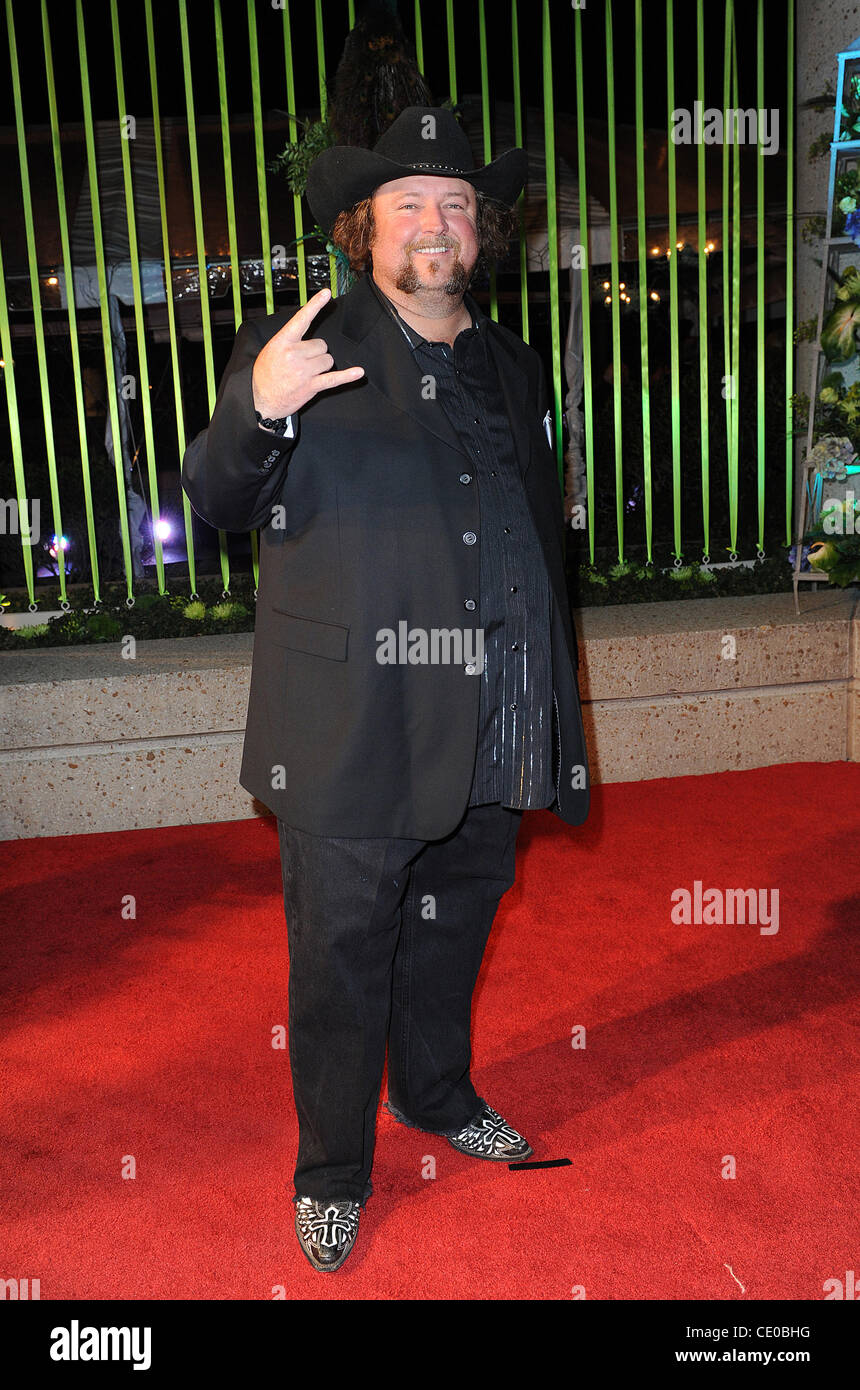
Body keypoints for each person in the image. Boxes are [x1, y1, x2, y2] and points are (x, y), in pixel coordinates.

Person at [181, 106, 590, 1273]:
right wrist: (259, 407)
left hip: (496, 709)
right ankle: (331, 1170)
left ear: (481, 231)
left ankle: (436, 1092)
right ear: (365, 228)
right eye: (408, 201)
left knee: (455, 924)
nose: (434, 221)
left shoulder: (508, 360)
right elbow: (215, 496)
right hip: (356, 720)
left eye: (456, 202)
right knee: (344, 950)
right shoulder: (299, 346)